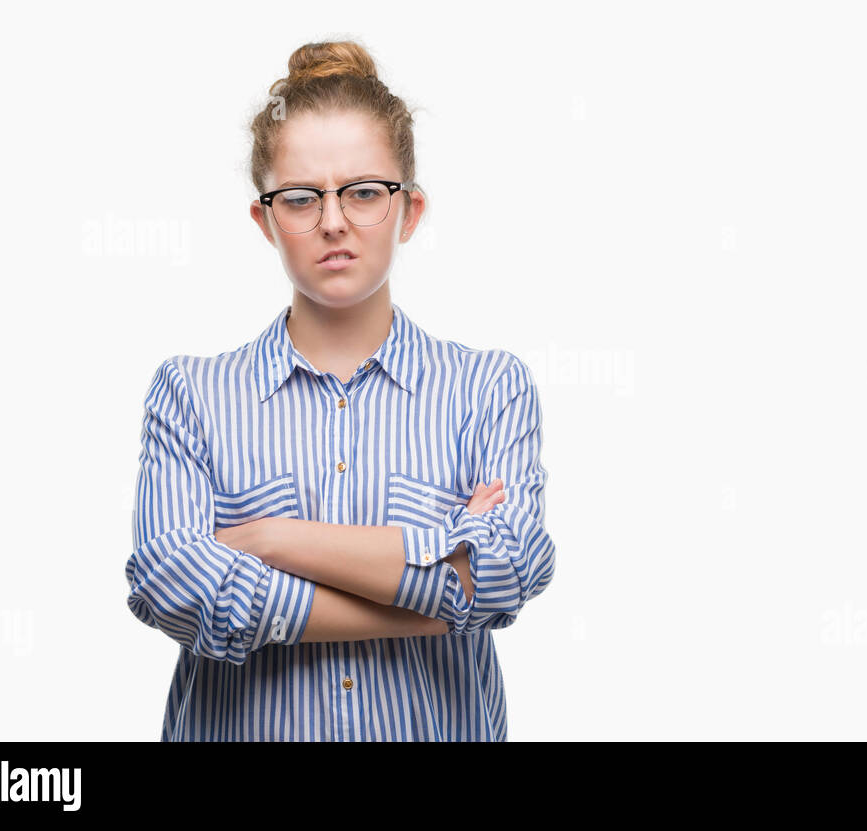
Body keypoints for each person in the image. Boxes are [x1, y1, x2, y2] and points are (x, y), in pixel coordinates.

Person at [125, 39, 556, 741]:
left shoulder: (487, 388)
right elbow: (170, 584)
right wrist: (432, 591)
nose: (333, 221)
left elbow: (506, 566)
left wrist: (270, 538)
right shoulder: (191, 395)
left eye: (363, 192)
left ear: (409, 211)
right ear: (265, 220)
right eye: (300, 197)